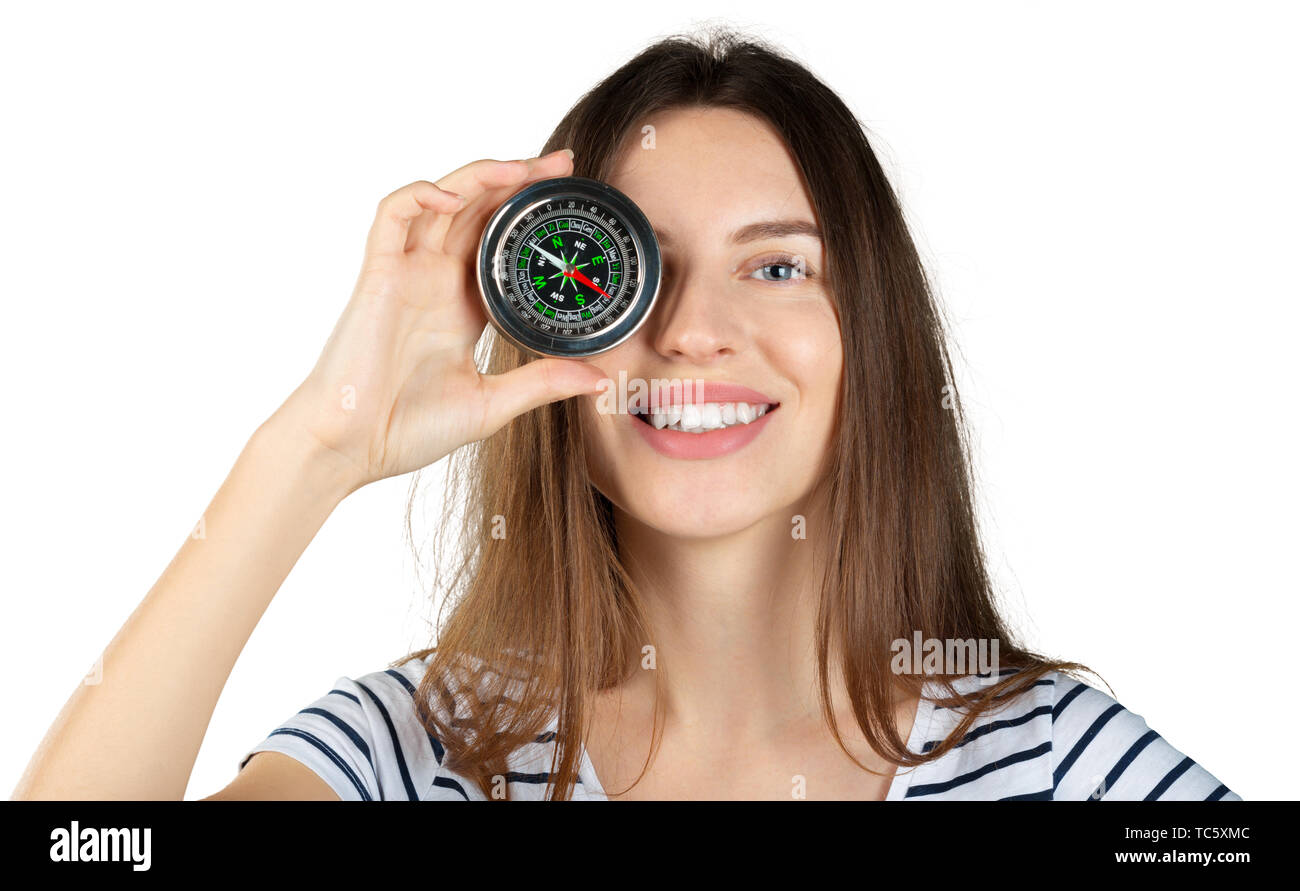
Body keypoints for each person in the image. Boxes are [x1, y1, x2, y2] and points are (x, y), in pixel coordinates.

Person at [13, 27, 1239, 802]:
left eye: (777, 267)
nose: (694, 330)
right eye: (622, 274)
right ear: (548, 333)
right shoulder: (410, 753)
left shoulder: (1060, 765)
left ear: (873, 335)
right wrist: (318, 446)